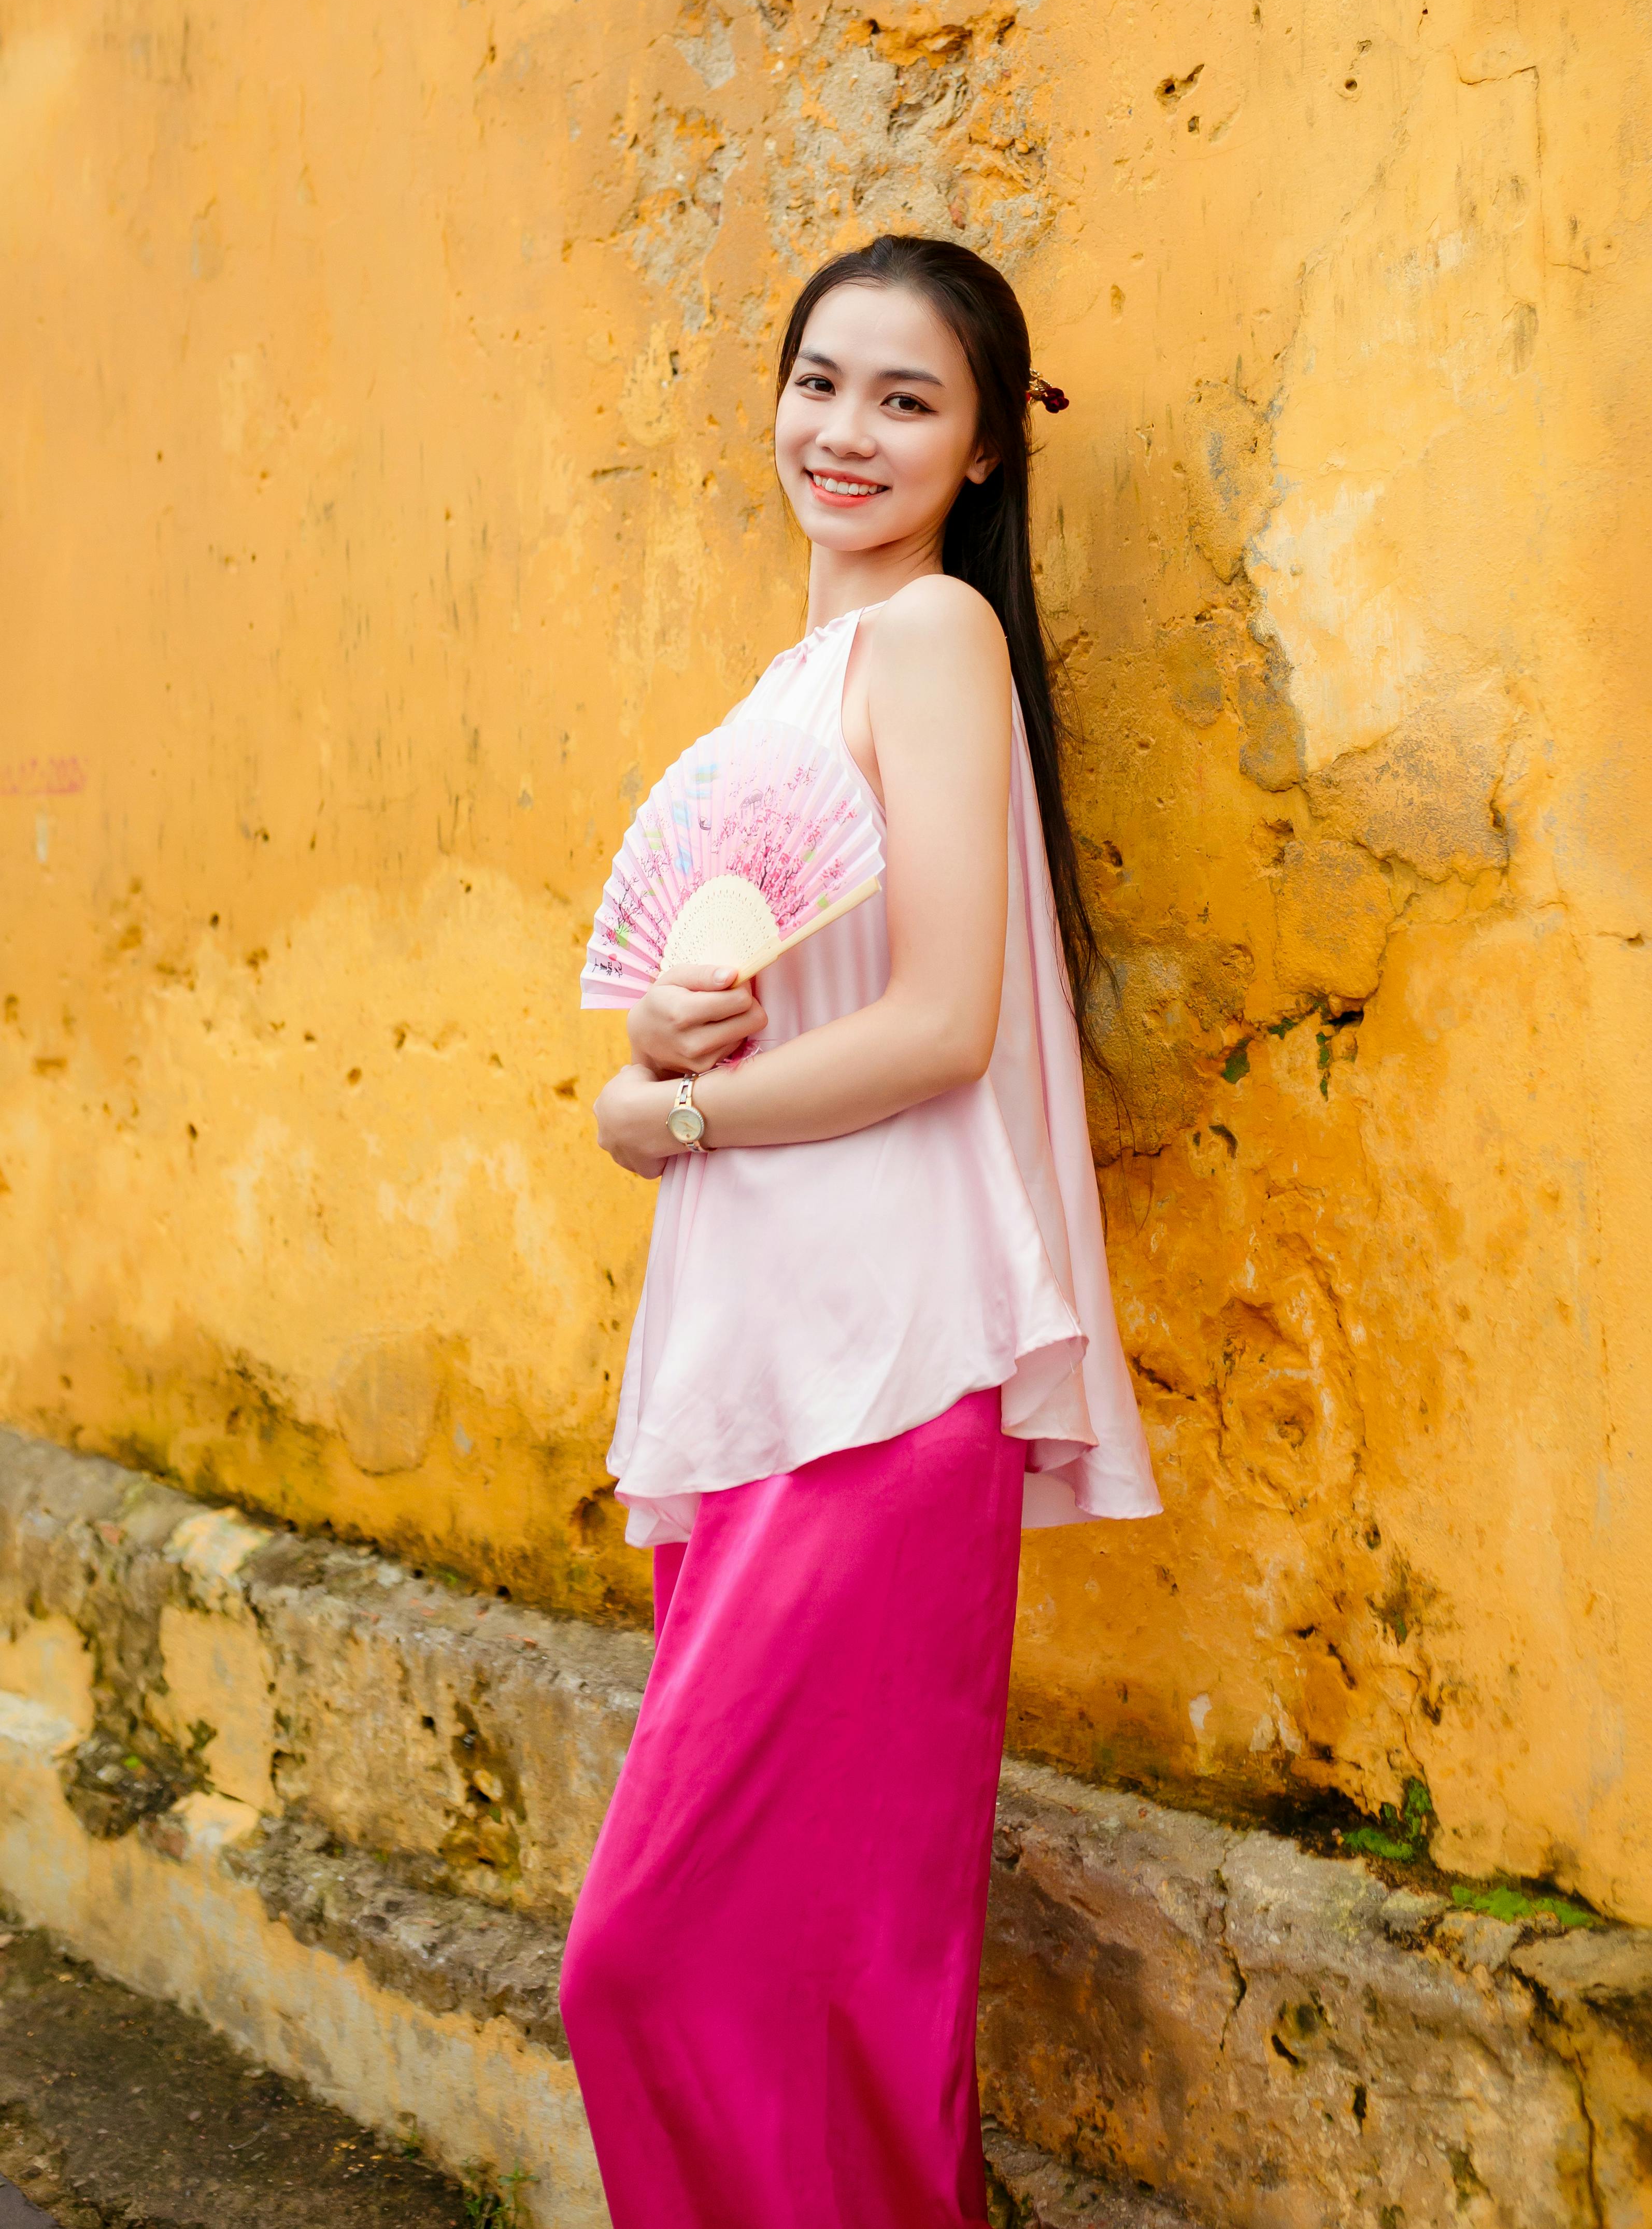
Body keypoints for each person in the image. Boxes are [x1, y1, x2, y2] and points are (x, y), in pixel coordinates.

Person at [559, 234, 1160, 2228]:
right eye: (821, 381)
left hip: (885, 1368)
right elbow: (784, 985)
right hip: (762, 1360)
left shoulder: (927, 643)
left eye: (907, 400)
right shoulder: (784, 684)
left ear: (984, 452)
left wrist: (688, 1109)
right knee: (811, 1966)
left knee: (653, 1958)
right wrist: (659, 1045)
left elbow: (940, 1022)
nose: (846, 430)